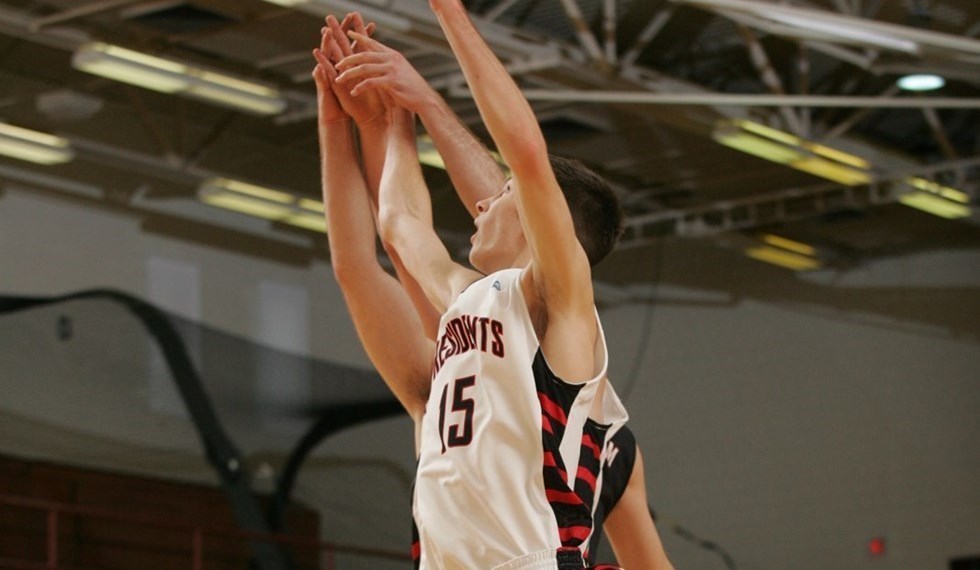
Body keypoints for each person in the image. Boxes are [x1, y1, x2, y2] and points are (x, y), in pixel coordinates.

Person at [315, 9, 671, 569]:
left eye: (503, 194)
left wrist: (447, 12)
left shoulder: (558, 303)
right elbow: (401, 223)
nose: (483, 202)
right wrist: (389, 118)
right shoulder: (465, 297)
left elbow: (525, 153)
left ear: (536, 217)